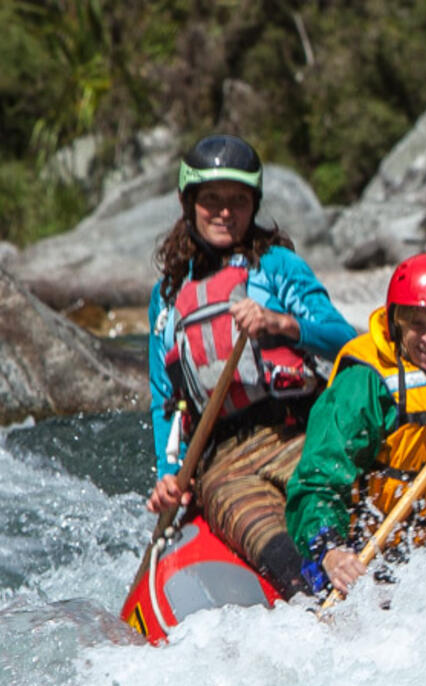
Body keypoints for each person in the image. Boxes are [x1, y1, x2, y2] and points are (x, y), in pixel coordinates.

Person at [143, 133, 357, 596]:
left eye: (237, 201)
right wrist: (169, 476)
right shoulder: (165, 299)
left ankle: (349, 571)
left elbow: (348, 342)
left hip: (298, 433)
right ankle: (313, 598)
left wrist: (282, 324)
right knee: (279, 553)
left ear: (253, 205)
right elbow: (167, 401)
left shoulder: (278, 267)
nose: (224, 211)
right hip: (224, 464)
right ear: (189, 204)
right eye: (211, 200)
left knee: (325, 518)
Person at [285, 252, 426, 597]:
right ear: (398, 323)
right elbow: (318, 479)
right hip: (368, 550)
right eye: (417, 324)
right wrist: (331, 552)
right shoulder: (364, 383)